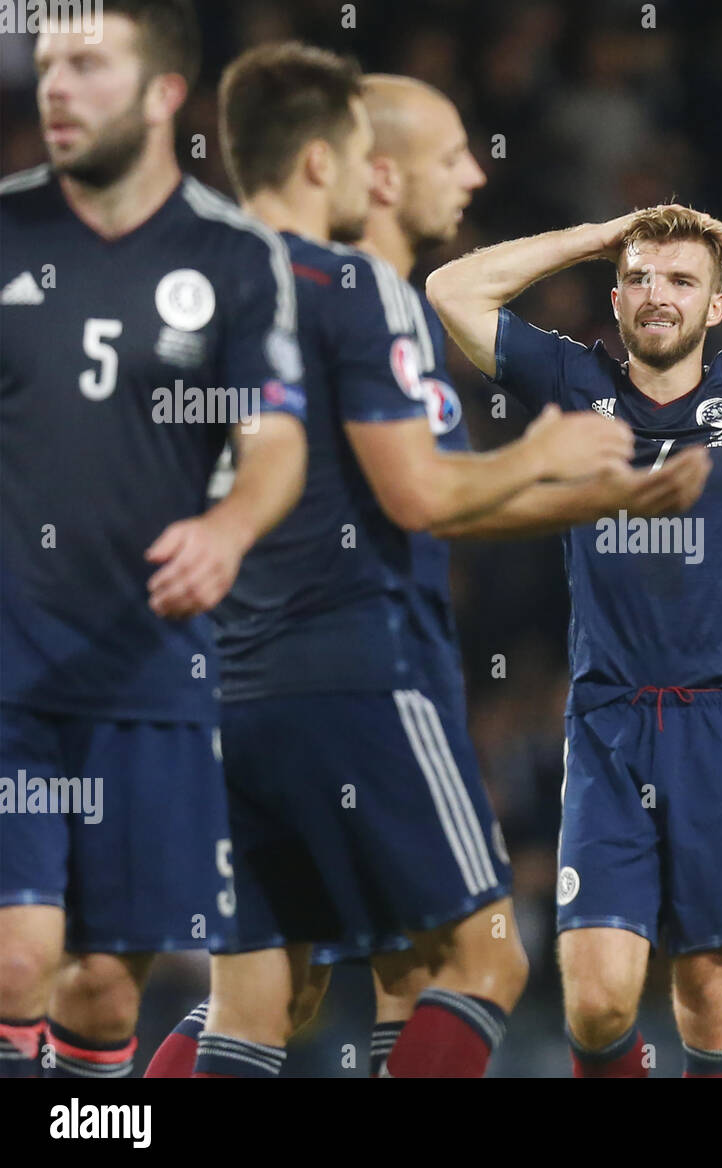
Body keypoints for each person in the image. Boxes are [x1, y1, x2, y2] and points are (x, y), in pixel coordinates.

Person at [146, 72, 709, 1078]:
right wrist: (547, 454)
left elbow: (424, 495)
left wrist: (603, 497)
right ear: (375, 172)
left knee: (273, 992)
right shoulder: (360, 292)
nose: (476, 171)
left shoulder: (231, 286)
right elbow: (423, 496)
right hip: (358, 673)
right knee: (483, 956)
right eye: (453, 152)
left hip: (229, 684)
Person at [428, 203, 722, 1076]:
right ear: (614, 300)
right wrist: (594, 237)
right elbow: (451, 289)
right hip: (608, 721)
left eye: (683, 281)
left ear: (718, 306)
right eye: (640, 279)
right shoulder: (577, 382)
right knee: (597, 1002)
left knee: (711, 1002)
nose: (658, 296)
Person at [0, 0, 307, 1080]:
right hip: (12, 661)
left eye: (86, 63)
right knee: (16, 956)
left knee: (102, 982)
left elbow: (274, 439)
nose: (55, 87)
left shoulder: (230, 258)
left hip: (150, 668)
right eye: (46, 64)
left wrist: (228, 527)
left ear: (163, 93)